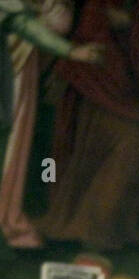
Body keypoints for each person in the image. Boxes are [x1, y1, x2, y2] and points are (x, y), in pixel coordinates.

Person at [36, 0, 139, 249]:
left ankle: (110, 227)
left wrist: (131, 26)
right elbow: (87, 40)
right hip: (98, 87)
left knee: (134, 148)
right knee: (91, 156)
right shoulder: (98, 3)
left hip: (135, 94)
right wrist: (68, 68)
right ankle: (85, 227)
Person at [0, 0, 101, 248]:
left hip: (13, 75)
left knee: (9, 150)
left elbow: (32, 23)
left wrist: (70, 51)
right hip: (14, 69)